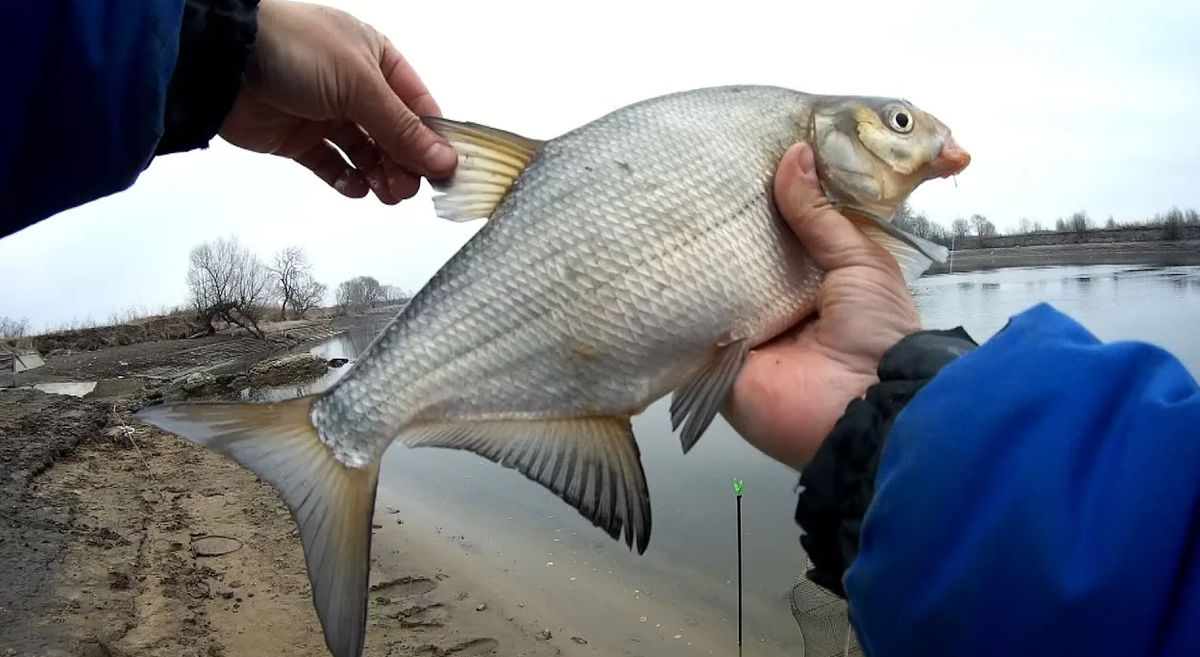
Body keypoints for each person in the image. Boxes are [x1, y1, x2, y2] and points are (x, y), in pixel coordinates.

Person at [3, 2, 1199, 657]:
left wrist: (212, 47)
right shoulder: (773, 152)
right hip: (581, 320)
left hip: (687, 361)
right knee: (360, 414)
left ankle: (345, 429)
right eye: (894, 125)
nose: (918, 145)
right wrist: (218, 43)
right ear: (818, 150)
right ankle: (339, 434)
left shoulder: (855, 232)